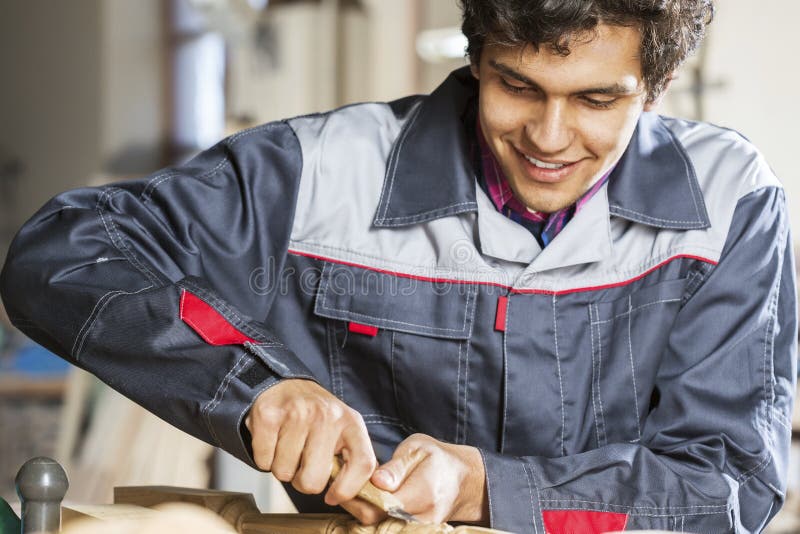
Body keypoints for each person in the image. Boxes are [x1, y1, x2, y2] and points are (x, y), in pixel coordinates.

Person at [1, 1, 795, 532]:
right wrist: (256, 391)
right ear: (478, 58)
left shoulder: (730, 201)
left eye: (595, 101)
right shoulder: (320, 173)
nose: (549, 137)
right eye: (519, 86)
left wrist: (484, 486)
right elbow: (62, 252)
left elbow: (727, 484)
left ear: (654, 89)